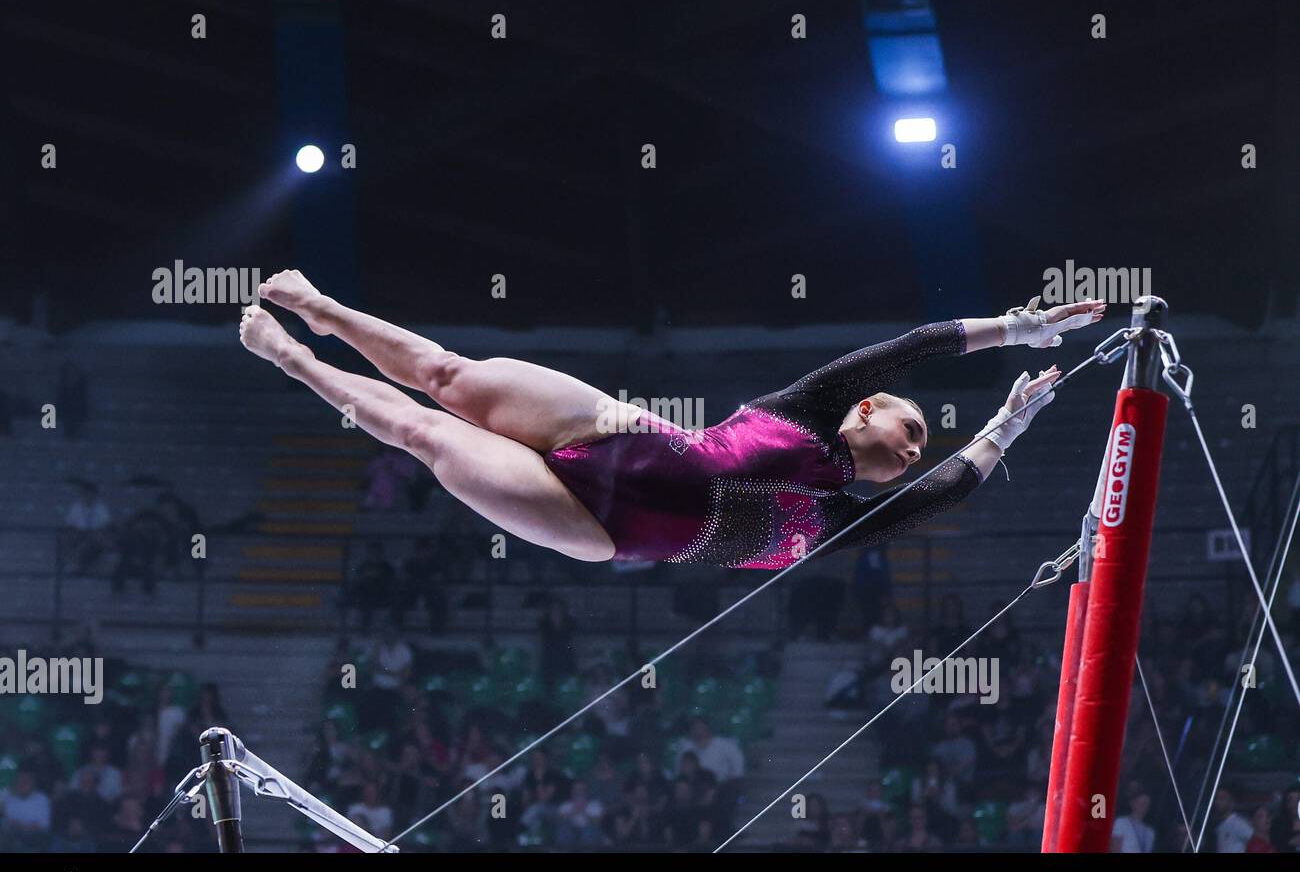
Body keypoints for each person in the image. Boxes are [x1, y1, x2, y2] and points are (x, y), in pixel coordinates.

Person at [241, 270, 1102, 568]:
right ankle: (324, 309)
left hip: (595, 529)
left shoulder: (839, 525)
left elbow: (947, 494)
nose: (915, 453)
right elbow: (911, 347)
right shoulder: (803, 410)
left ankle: (296, 361)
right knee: (449, 377)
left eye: (920, 450)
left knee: (421, 434)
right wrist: (1021, 329)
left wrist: (1010, 425)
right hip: (620, 433)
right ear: (864, 410)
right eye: (911, 432)